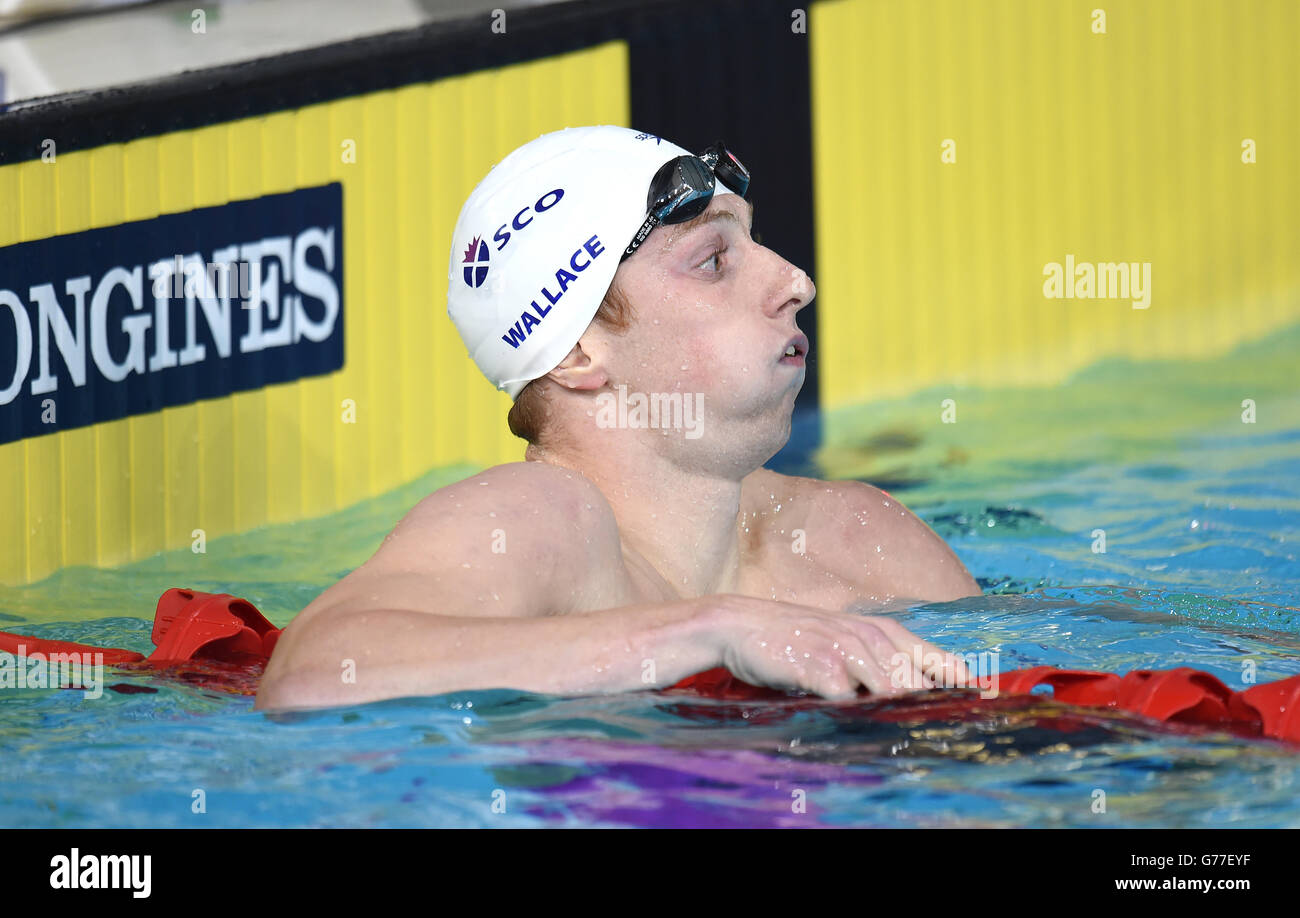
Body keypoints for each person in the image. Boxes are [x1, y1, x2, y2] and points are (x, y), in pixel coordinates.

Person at [256, 125, 980, 712]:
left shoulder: (857, 539)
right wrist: (711, 631)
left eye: (755, 242)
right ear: (575, 353)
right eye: (713, 261)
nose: (796, 281)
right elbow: (315, 672)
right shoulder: (546, 519)